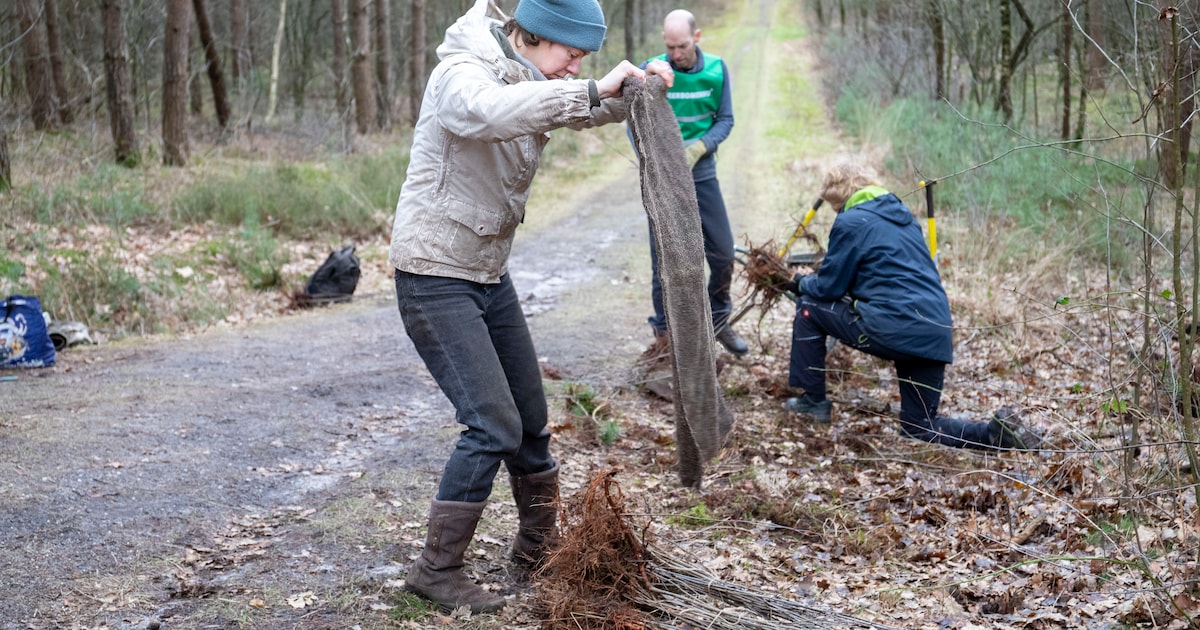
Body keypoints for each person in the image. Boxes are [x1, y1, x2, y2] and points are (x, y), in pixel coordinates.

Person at [388, 0, 674, 614]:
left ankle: (536, 549)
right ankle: (436, 572)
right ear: (535, 36)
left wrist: (639, 87)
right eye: (571, 55)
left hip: (487, 273)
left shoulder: (532, 75)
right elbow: (490, 114)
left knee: (530, 420)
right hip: (434, 272)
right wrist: (593, 89)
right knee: (492, 424)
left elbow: (583, 108)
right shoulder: (461, 73)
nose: (574, 68)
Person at [784, 161, 1039, 451]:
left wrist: (800, 282)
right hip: (934, 331)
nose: (836, 213)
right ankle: (995, 435)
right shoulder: (903, 218)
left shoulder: (851, 221)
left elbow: (829, 287)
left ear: (839, 198)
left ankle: (813, 401)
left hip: (892, 327)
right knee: (919, 427)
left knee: (809, 306)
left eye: (834, 207)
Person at [639, 9, 747, 359]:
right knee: (665, 261)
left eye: (682, 46)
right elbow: (634, 121)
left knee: (723, 253)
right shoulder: (653, 68)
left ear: (696, 37)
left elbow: (725, 119)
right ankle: (664, 334)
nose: (675, 54)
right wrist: (655, 157)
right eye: (669, 47)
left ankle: (718, 319)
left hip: (701, 174)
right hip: (664, 178)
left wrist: (701, 147)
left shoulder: (716, 70)